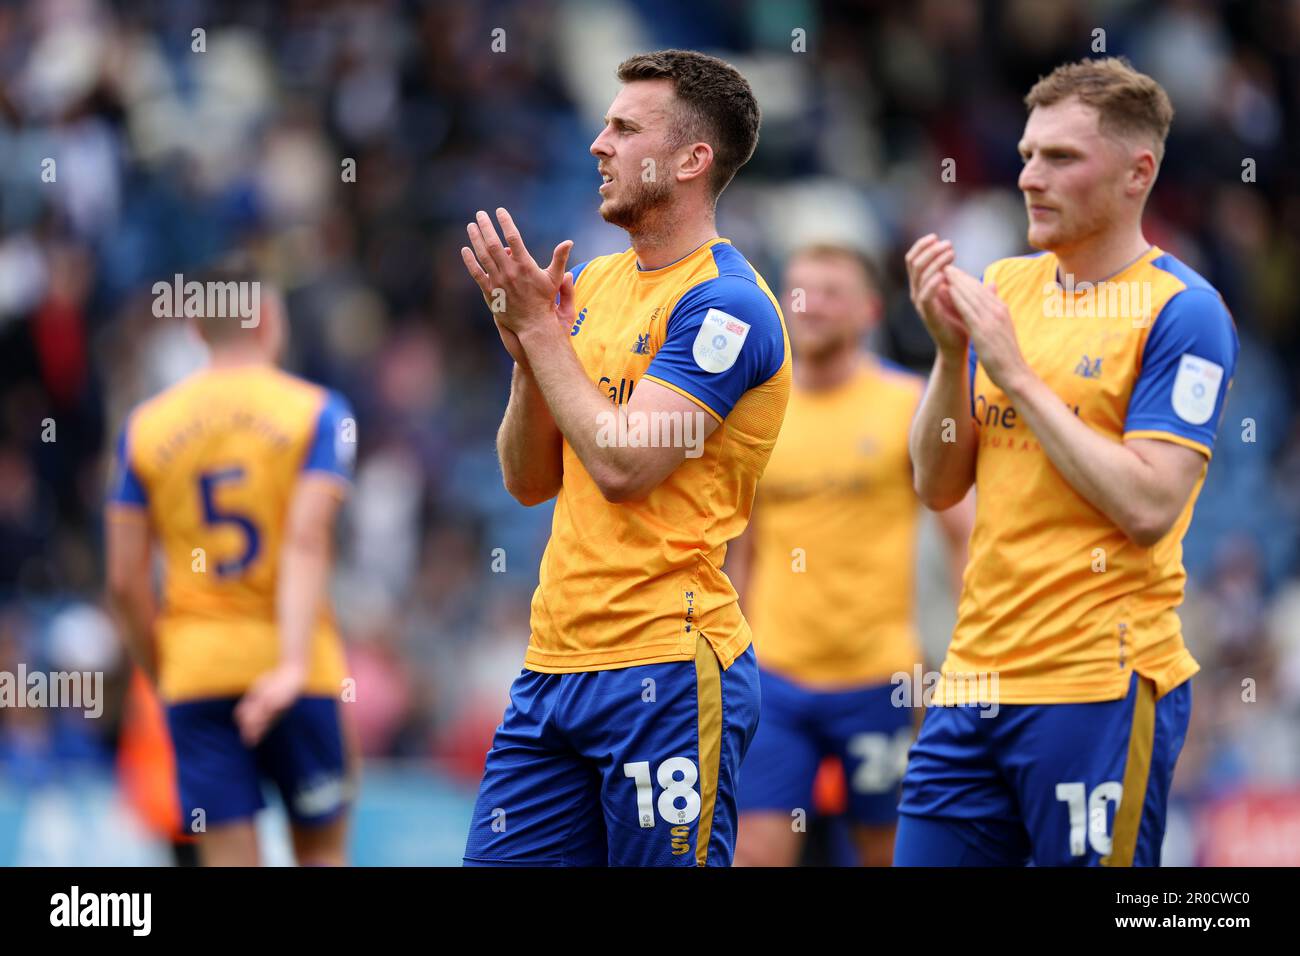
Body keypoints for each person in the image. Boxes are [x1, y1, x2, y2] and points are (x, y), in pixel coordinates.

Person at [896, 57, 1239, 866]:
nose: (1027, 178)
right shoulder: (1005, 287)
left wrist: (1013, 373)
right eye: (1025, 154)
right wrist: (951, 358)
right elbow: (937, 482)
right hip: (973, 677)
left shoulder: (1185, 313)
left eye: (1060, 159)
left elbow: (1152, 504)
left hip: (1097, 685)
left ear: (1136, 173)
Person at [458, 49, 790, 866]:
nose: (599, 144)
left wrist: (543, 336)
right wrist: (525, 357)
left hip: (666, 670)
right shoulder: (597, 284)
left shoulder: (727, 306)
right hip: (552, 669)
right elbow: (528, 478)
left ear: (691, 159)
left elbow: (624, 464)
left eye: (624, 127)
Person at [106, 262, 356, 866]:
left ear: (197, 327)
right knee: (322, 856)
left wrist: (166, 671)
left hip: (198, 672)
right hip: (300, 668)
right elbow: (306, 539)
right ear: (269, 318)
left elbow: (123, 582)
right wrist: (292, 662)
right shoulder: (319, 413)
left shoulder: (143, 429)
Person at [729, 243, 972, 867]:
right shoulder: (757, 410)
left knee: (887, 853)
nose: (811, 305)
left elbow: (962, 534)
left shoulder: (908, 403)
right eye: (800, 290)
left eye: (831, 292)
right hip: (777, 677)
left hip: (880, 678)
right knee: (755, 852)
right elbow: (742, 550)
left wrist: (969, 659)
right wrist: (731, 665)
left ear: (868, 311)